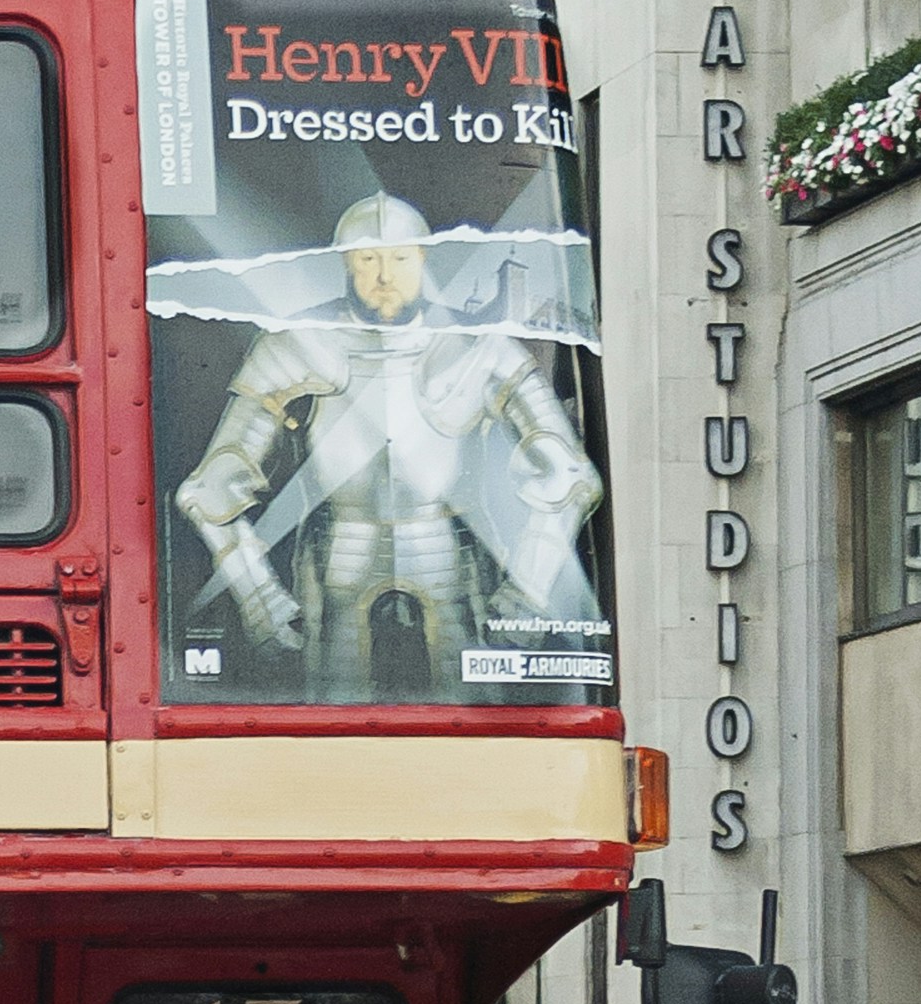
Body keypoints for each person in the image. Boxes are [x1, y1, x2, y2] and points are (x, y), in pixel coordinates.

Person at [174, 191, 603, 703]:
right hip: (339, 553)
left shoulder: (478, 345)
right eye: (367, 259)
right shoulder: (298, 342)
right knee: (332, 716)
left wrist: (529, 590)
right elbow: (210, 490)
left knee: (473, 717)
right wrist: (258, 594)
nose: (384, 275)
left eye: (399, 258)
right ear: (346, 264)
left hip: (448, 552)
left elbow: (569, 476)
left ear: (421, 258)